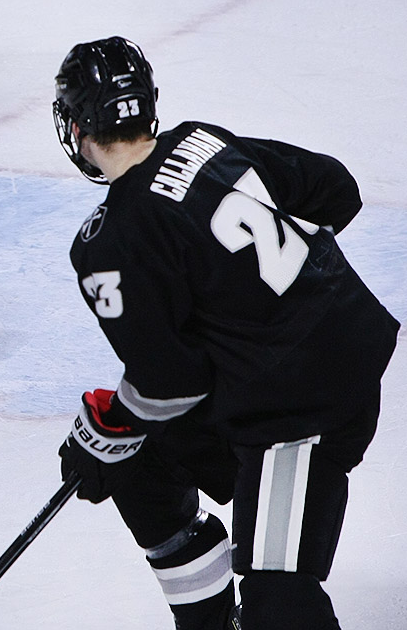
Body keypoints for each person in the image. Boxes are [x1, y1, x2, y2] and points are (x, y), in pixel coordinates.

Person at [50, 36, 399, 630]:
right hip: (319, 356)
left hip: (300, 410)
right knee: (138, 465)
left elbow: (167, 387)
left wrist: (109, 424)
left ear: (79, 127)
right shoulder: (202, 141)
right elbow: (337, 188)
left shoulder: (108, 242)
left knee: (278, 595)